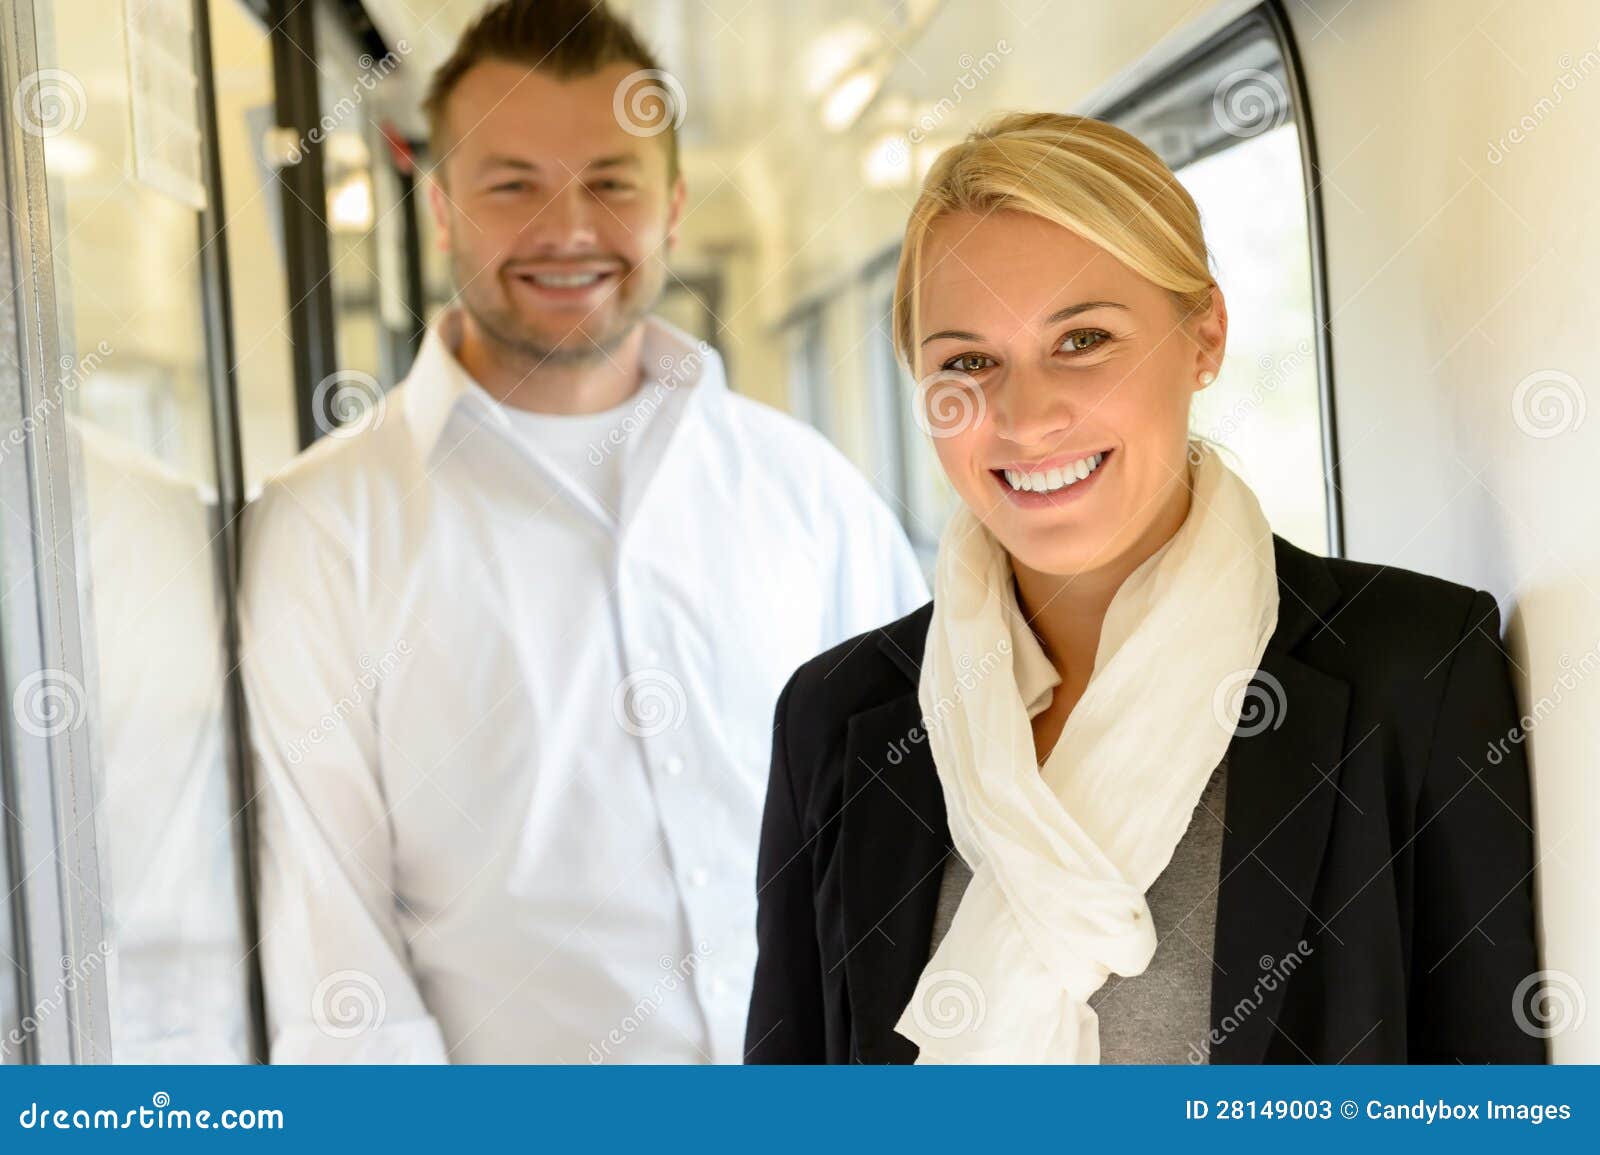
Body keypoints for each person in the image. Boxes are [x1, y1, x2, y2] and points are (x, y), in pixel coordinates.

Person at [743, 112, 1545, 1064]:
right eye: (966, 361)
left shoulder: (1414, 669)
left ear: (1203, 335)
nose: (1025, 415)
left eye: (1082, 339)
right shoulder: (836, 718)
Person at [240, 0, 925, 1064]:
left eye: (610, 183)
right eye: (512, 183)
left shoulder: (810, 492)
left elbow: (915, 835)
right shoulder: (325, 527)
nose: (567, 230)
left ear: (673, 209)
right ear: (442, 209)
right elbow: (341, 961)